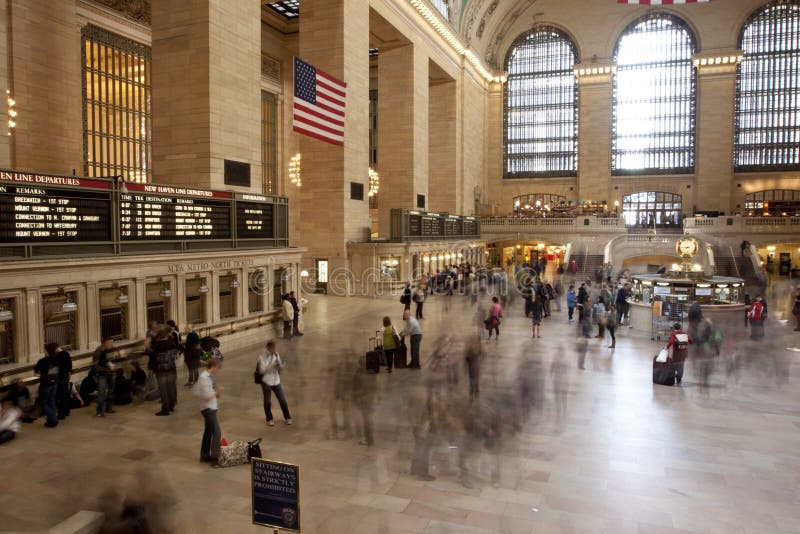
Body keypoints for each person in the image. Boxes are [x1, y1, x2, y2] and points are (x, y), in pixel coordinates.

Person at [257, 340, 292, 425]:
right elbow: (261, 371)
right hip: (267, 381)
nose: (274, 349)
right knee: (267, 401)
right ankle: (269, 419)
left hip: (276, 381)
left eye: (275, 348)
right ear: (268, 348)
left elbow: (279, 366)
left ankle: (287, 417)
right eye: (272, 348)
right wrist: (271, 366)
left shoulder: (276, 354)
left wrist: (281, 367)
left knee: (282, 400)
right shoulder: (262, 357)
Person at [195, 358, 222, 463]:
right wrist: (216, 393)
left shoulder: (209, 377)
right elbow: (206, 395)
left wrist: (216, 393)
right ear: (214, 366)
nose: (217, 370)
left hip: (212, 407)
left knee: (208, 432)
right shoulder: (204, 378)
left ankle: (204, 455)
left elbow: (210, 391)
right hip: (208, 408)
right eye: (217, 367)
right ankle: (214, 457)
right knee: (217, 432)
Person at [149, 328, 179, 416]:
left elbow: (153, 357)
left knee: (163, 390)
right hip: (172, 369)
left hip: (161, 371)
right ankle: (172, 405)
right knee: (172, 387)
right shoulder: (172, 343)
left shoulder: (157, 346)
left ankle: (165, 409)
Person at [34, 343, 60, 428]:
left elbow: (36, 370)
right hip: (55, 382)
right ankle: (50, 421)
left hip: (46, 384)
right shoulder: (57, 359)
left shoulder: (43, 361)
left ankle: (53, 418)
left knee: (42, 403)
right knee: (51, 401)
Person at [93, 338, 116, 417]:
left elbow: (106, 361)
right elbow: (95, 366)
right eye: (110, 343)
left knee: (111, 391)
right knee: (101, 393)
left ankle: (109, 408)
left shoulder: (107, 350)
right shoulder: (98, 351)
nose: (111, 345)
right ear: (105, 343)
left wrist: (110, 365)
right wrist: (107, 369)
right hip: (102, 375)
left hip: (109, 373)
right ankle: (99, 411)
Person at [55, 346, 72, 420]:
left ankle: (62, 414)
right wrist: (69, 373)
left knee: (61, 396)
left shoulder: (58, 356)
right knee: (66, 394)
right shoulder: (66, 354)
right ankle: (67, 411)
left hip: (61, 377)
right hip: (66, 377)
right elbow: (69, 365)